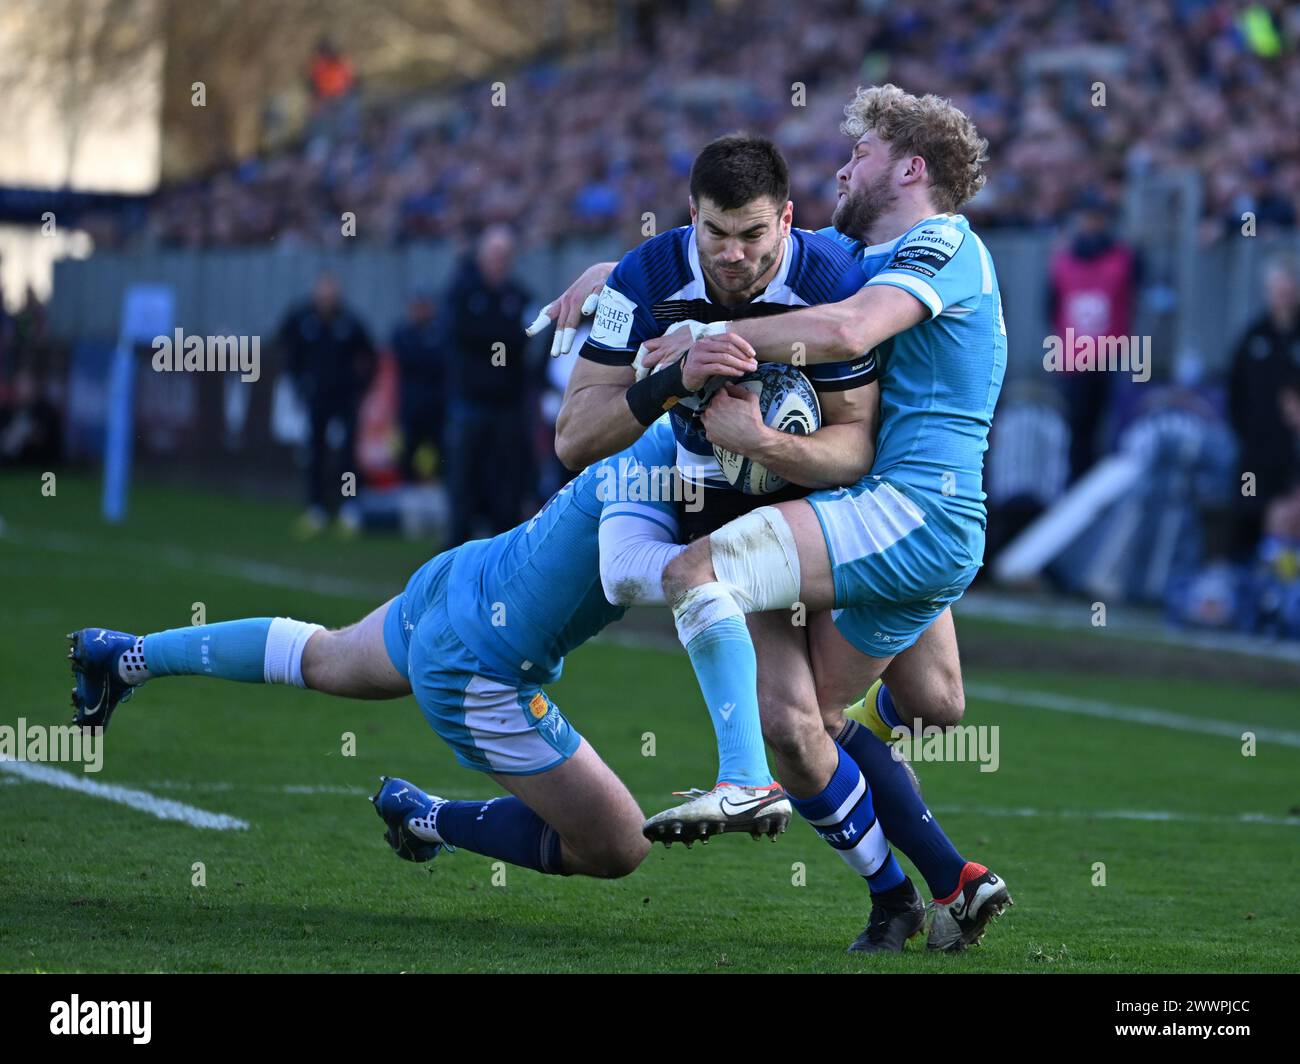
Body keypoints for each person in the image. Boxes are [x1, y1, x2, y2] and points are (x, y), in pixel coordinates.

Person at [531, 120, 1008, 951]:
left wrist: (700, 352)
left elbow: (848, 330)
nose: (842, 166)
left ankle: (762, 791)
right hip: (863, 511)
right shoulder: (862, 255)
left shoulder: (935, 249)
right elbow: (583, 422)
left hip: (900, 510)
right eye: (718, 233)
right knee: (934, 704)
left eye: (858, 154)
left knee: (791, 714)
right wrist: (617, 281)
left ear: (909, 166)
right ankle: (946, 881)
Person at [66, 419, 778, 885]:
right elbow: (657, 574)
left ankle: (126, 656)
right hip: (479, 668)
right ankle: (427, 816)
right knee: (621, 844)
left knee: (321, 655)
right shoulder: (688, 474)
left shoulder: (667, 433)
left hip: (462, 577)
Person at [441, 226, 535, 545]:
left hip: (507, 404)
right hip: (470, 401)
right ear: (482, 257)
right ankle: (457, 543)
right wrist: (499, 335)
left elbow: (522, 339)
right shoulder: (463, 292)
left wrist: (493, 335)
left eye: (505, 255)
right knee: (463, 476)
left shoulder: (518, 295)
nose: (499, 261)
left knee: (506, 477)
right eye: (494, 254)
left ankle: (501, 545)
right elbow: (462, 333)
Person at [1047, 194, 1139, 484]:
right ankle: (1077, 493)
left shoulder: (1125, 258)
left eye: (1097, 218)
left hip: (1113, 357)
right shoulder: (1062, 260)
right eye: (1087, 218)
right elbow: (1051, 307)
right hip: (1074, 360)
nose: (1091, 224)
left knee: (1112, 430)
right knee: (1078, 433)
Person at [277, 272, 377, 535]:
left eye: (330, 293)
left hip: (344, 397)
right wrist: (300, 383)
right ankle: (316, 508)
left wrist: (361, 387)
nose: (326, 299)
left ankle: (348, 507)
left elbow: (370, 354)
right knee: (316, 453)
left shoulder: (349, 320)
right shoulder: (303, 319)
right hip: (317, 397)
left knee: (347, 456)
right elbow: (288, 349)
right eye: (322, 293)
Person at [1226, 252, 1300, 559]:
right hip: (1256, 453)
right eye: (1276, 290)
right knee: (1249, 516)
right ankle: (1245, 586)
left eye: (1287, 289)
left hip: (1293, 455)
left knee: (1286, 520)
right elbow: (1236, 393)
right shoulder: (1253, 336)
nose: (1281, 297)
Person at [390, 290, 446, 483]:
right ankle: (407, 489)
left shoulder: (440, 332)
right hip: (410, 406)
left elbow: (441, 360)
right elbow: (409, 358)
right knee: (407, 450)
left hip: (437, 406)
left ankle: (437, 491)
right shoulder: (401, 332)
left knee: (440, 450)